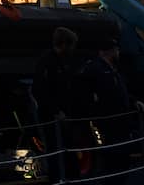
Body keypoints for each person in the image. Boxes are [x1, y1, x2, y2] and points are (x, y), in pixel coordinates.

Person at [78, 37, 142, 185]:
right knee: (111, 158)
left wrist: (133, 101)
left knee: (121, 156)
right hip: (108, 121)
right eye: (116, 50)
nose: (118, 52)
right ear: (109, 51)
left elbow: (120, 91)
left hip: (120, 120)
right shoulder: (96, 70)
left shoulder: (112, 70)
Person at [32, 26, 82, 179]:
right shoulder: (47, 63)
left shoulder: (62, 61)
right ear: (64, 44)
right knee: (56, 151)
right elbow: (39, 90)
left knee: (68, 152)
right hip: (53, 118)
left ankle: (70, 177)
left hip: (64, 115)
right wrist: (55, 111)